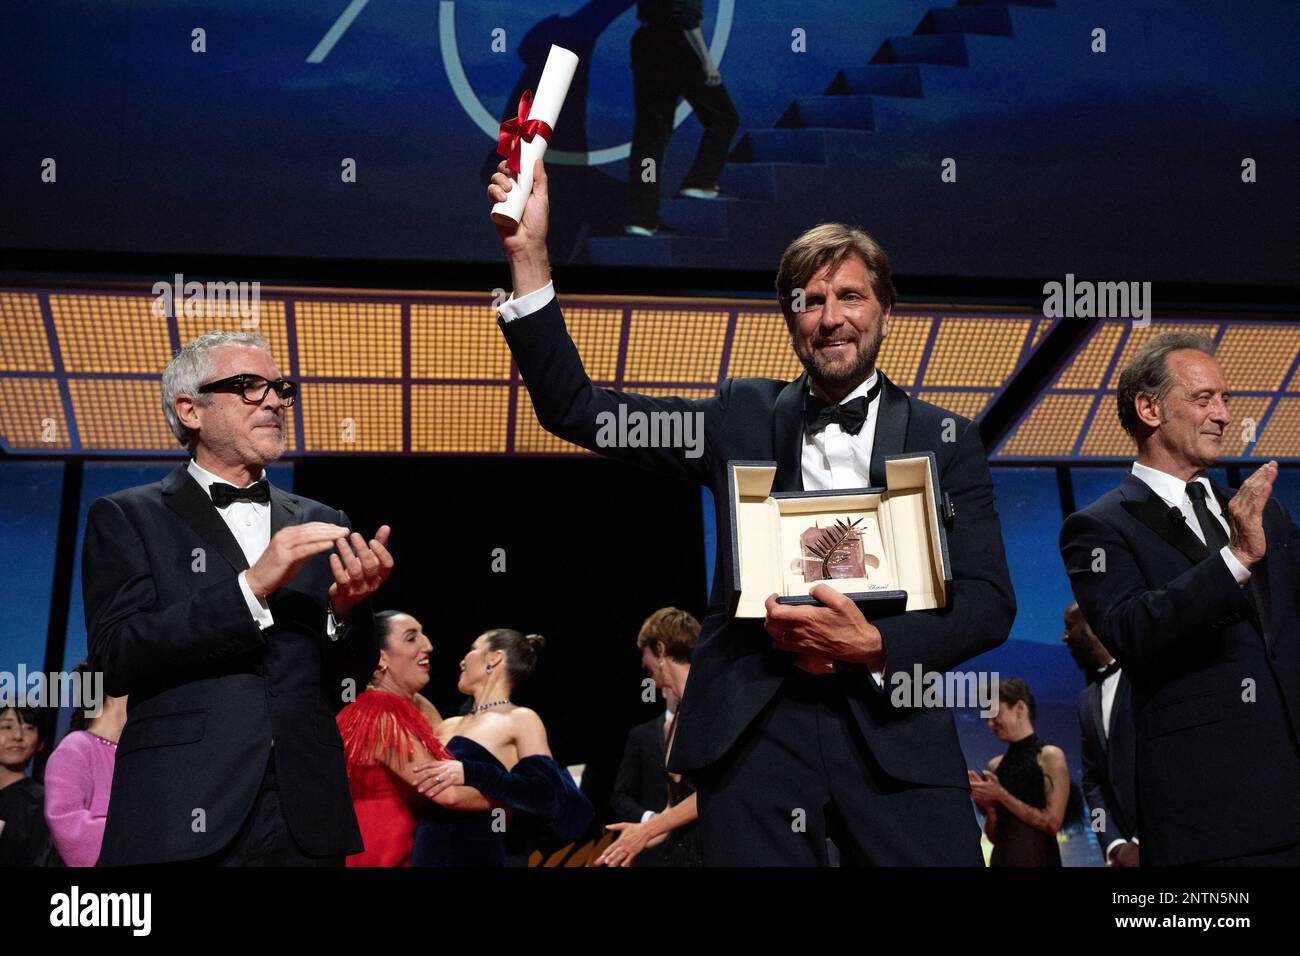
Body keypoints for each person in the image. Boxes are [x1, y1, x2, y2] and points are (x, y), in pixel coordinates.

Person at [485, 157, 1016, 865]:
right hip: (759, 736)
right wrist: (530, 256)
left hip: (896, 735)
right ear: (790, 319)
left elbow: (988, 602)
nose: (831, 319)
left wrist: (880, 648)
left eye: (851, 297)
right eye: (810, 301)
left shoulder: (946, 438)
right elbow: (581, 411)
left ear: (885, 308)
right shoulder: (739, 416)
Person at [82, 330, 393, 866]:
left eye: (279, 388)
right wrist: (249, 589)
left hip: (304, 814)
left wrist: (345, 613)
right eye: (249, 386)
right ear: (190, 410)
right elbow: (117, 657)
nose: (273, 400)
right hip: (182, 806)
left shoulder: (324, 520)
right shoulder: (127, 515)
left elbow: (349, 677)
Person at [1060, 331, 1300, 866]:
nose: (1222, 415)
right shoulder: (1098, 528)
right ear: (1149, 409)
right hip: (1211, 817)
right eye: (1203, 399)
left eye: (1225, 399)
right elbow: (1131, 630)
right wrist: (1233, 559)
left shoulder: (1263, 512)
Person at [411, 629, 594, 866]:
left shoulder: (520, 719)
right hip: (428, 851)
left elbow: (548, 794)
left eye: (473, 649)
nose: (462, 660)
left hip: (479, 853)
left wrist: (472, 773)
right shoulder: (448, 725)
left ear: (494, 658)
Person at [336, 610, 491, 866]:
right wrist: (509, 796)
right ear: (381, 657)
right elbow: (447, 793)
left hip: (416, 851)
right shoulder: (377, 712)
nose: (427, 645)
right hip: (383, 856)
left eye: (423, 635)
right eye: (411, 638)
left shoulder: (417, 704)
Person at [597, 607, 702, 867]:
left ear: (661, 649)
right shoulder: (673, 721)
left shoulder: (712, 705)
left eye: (648, 667)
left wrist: (647, 830)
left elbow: (714, 792)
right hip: (678, 857)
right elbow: (673, 802)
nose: (652, 682)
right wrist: (639, 835)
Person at [625, 0, 740, 235]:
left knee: (651, 138)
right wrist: (707, 63)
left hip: (647, 45)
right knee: (724, 119)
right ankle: (700, 180)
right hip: (678, 47)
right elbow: (685, 18)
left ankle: (641, 217)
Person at [1062, 602, 1138, 866]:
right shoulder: (1086, 700)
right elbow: (1092, 782)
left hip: (1170, 840)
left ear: (1092, 625)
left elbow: (1170, 762)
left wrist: (1139, 842)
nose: (1064, 637)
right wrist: (1115, 844)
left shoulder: (1143, 676)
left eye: (1069, 626)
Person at [968, 679, 1067, 867]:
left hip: (1040, 859)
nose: (990, 724)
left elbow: (1052, 823)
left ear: (1020, 708)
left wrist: (1001, 795)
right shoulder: (994, 766)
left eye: (995, 714)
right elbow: (994, 836)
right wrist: (989, 807)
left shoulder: (1050, 756)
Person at [42, 662, 127, 867]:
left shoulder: (131, 752)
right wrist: (144, 828)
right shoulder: (77, 746)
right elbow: (66, 822)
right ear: (116, 694)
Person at [0, 706, 61, 866]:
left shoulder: (42, 804)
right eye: (7, 726)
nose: (18, 736)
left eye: (29, 728)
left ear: (40, 743)